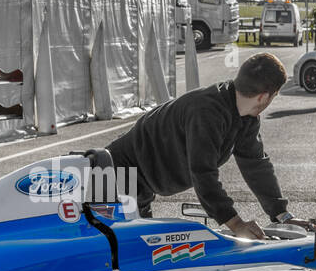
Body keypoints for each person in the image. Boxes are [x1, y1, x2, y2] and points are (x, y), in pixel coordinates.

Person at [106, 53, 299, 239]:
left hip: (141, 185)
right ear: (263, 97)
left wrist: (282, 216)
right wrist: (236, 225)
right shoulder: (206, 112)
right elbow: (202, 174)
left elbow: (256, 165)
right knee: (125, 254)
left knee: (139, 253)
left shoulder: (247, 119)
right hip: (117, 173)